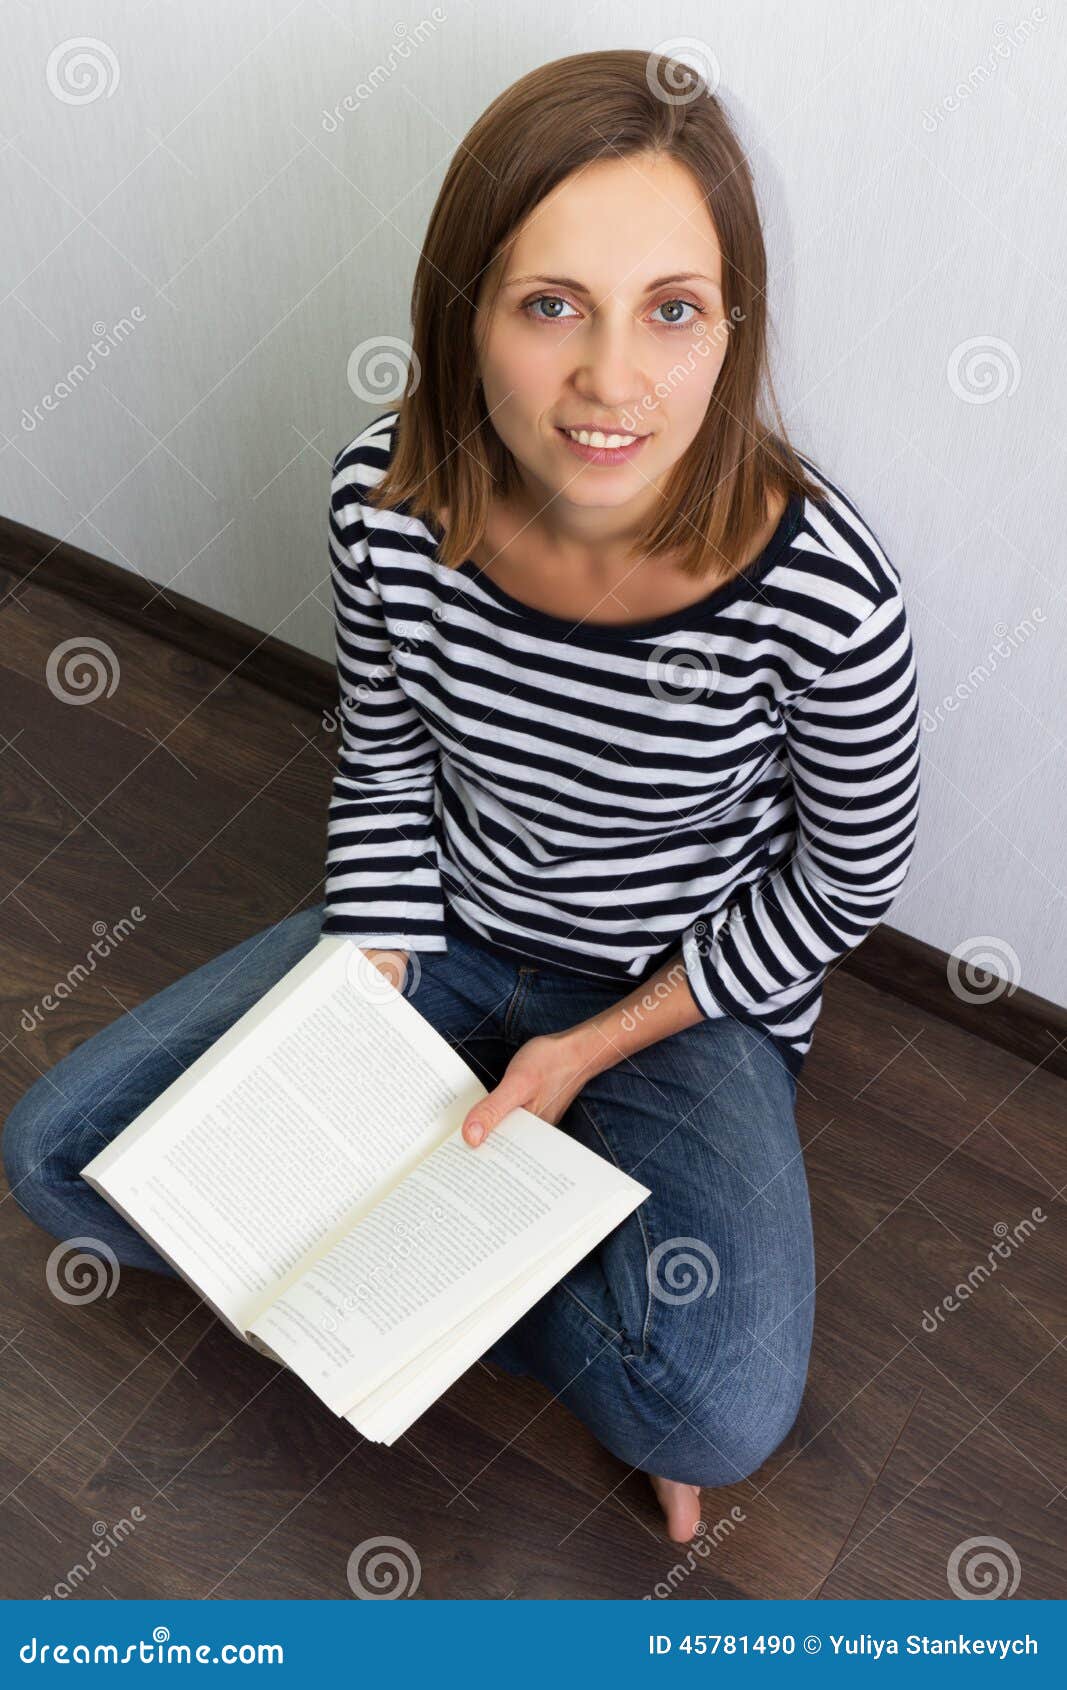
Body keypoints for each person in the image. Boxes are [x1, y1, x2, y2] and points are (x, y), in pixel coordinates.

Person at [2, 49, 921, 1545]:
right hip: (448, 933)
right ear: (467, 315)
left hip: (677, 995)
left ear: (729, 329)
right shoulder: (387, 505)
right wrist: (364, 974)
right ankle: (455, 1241)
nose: (611, 380)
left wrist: (594, 1045)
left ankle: (431, 1253)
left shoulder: (825, 592)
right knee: (58, 1159)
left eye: (670, 311)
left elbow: (847, 880)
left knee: (721, 1409)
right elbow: (386, 752)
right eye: (551, 303)